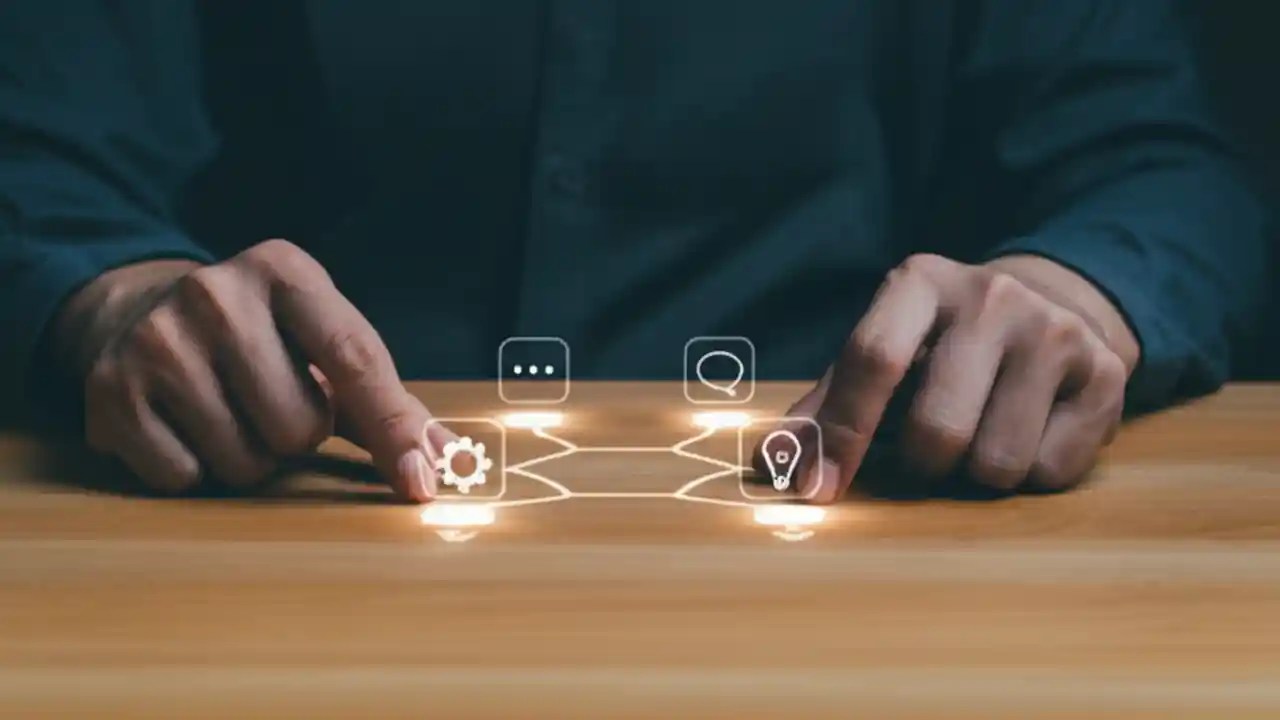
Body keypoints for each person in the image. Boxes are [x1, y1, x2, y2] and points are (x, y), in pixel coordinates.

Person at [0, 1, 1266, 504]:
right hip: (279, 524)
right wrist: (112, 298)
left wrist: (1074, 292)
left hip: (854, 534)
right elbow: (38, 155)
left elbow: (1161, 172)